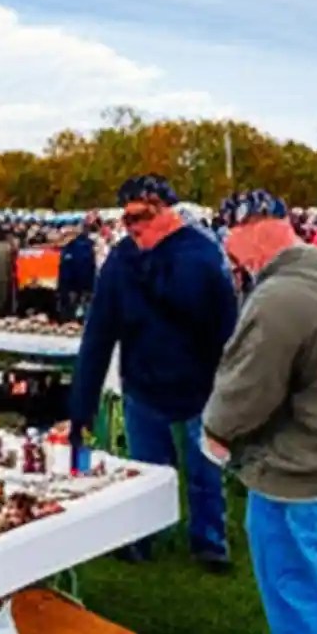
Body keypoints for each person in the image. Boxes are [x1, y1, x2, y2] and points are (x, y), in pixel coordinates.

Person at [202, 190, 317, 634]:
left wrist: (214, 432)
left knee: (300, 608)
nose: (228, 249)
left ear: (249, 229)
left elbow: (244, 394)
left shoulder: (278, 298)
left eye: (228, 236)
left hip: (299, 480)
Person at [65, 174, 237, 571]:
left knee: (205, 470)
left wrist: (230, 389)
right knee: (145, 472)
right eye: (125, 219)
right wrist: (82, 408)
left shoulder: (203, 255)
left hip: (200, 385)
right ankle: (141, 538)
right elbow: (98, 334)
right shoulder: (120, 261)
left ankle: (210, 542)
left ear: (167, 213)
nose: (131, 228)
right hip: (142, 384)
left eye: (139, 218)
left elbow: (228, 328)